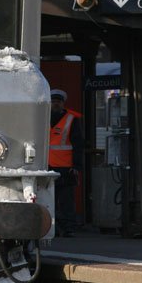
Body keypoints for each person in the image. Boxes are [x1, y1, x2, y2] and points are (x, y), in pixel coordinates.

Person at [49, 88, 84, 237]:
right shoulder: (42, 117)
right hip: (47, 166)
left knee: (66, 201)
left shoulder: (71, 119)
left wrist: (76, 166)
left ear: (63, 103)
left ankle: (68, 228)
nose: (56, 104)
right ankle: (53, 227)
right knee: (50, 199)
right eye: (53, 102)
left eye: (58, 102)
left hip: (65, 167)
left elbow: (78, 144)